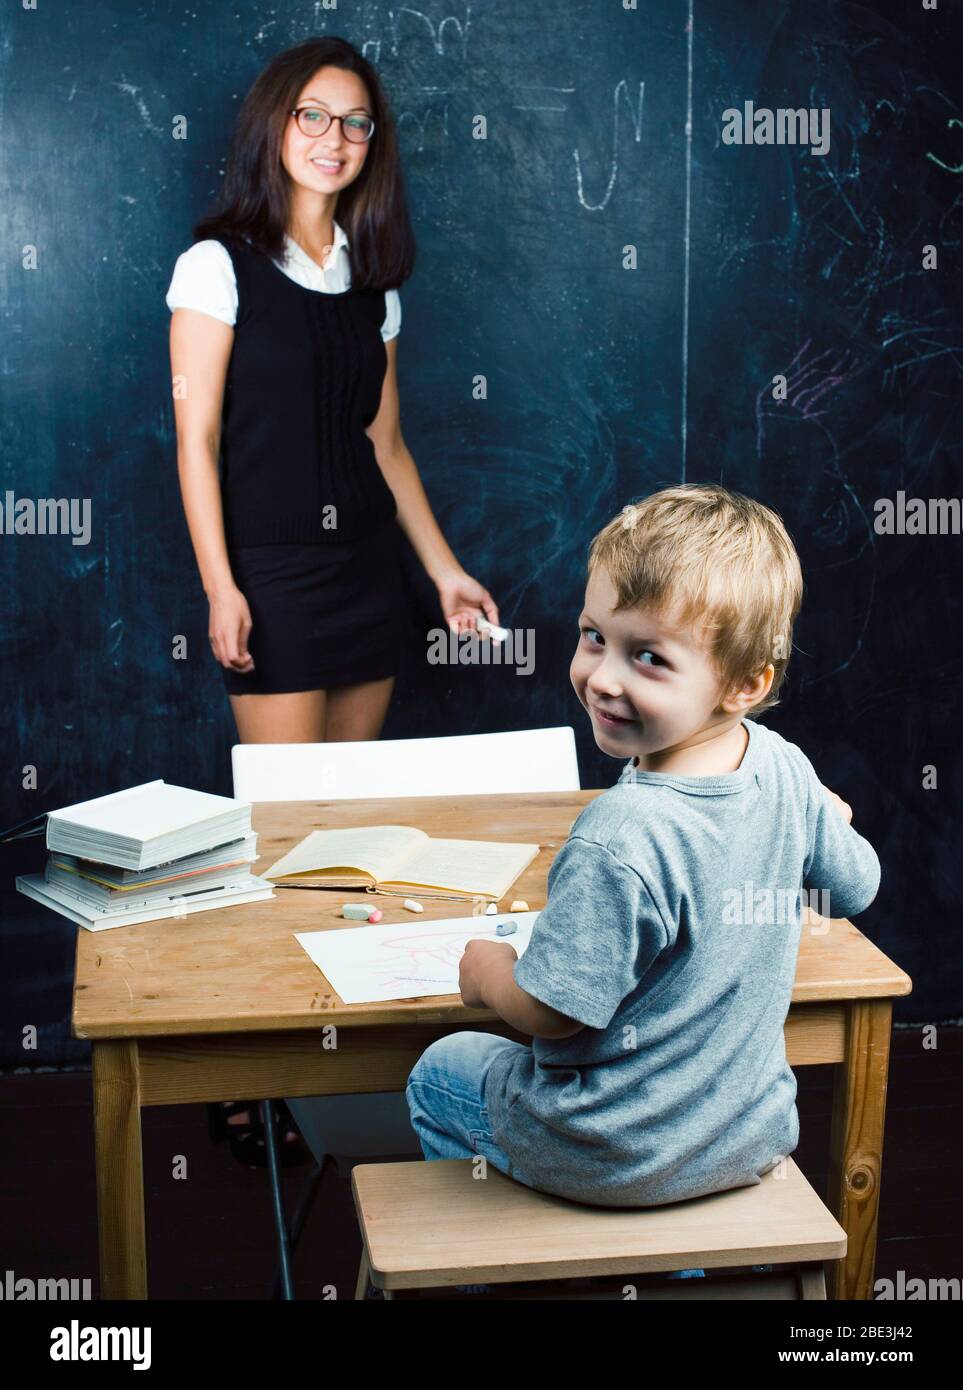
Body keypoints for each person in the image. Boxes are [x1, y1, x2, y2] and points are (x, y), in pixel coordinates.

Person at [406, 483, 881, 1284]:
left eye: (647, 658)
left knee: (441, 1070)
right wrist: (825, 815)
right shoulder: (783, 767)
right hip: (742, 1142)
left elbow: (553, 1014)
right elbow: (856, 884)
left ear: (743, 686)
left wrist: (488, 975)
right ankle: (672, 1267)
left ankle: (521, 1268)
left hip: (610, 1153)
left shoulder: (619, 836)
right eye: (594, 637)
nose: (601, 677)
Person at [167, 35, 500, 1165]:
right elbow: (196, 441)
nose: (334, 139)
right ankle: (245, 1075)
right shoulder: (215, 266)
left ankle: (331, 1057)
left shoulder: (374, 280)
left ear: (373, 146)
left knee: (342, 840)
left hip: (366, 575)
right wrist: (221, 586)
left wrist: (444, 569)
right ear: (274, 125)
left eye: (355, 123)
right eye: (313, 116)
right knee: (276, 839)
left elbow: (387, 445)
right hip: (268, 575)